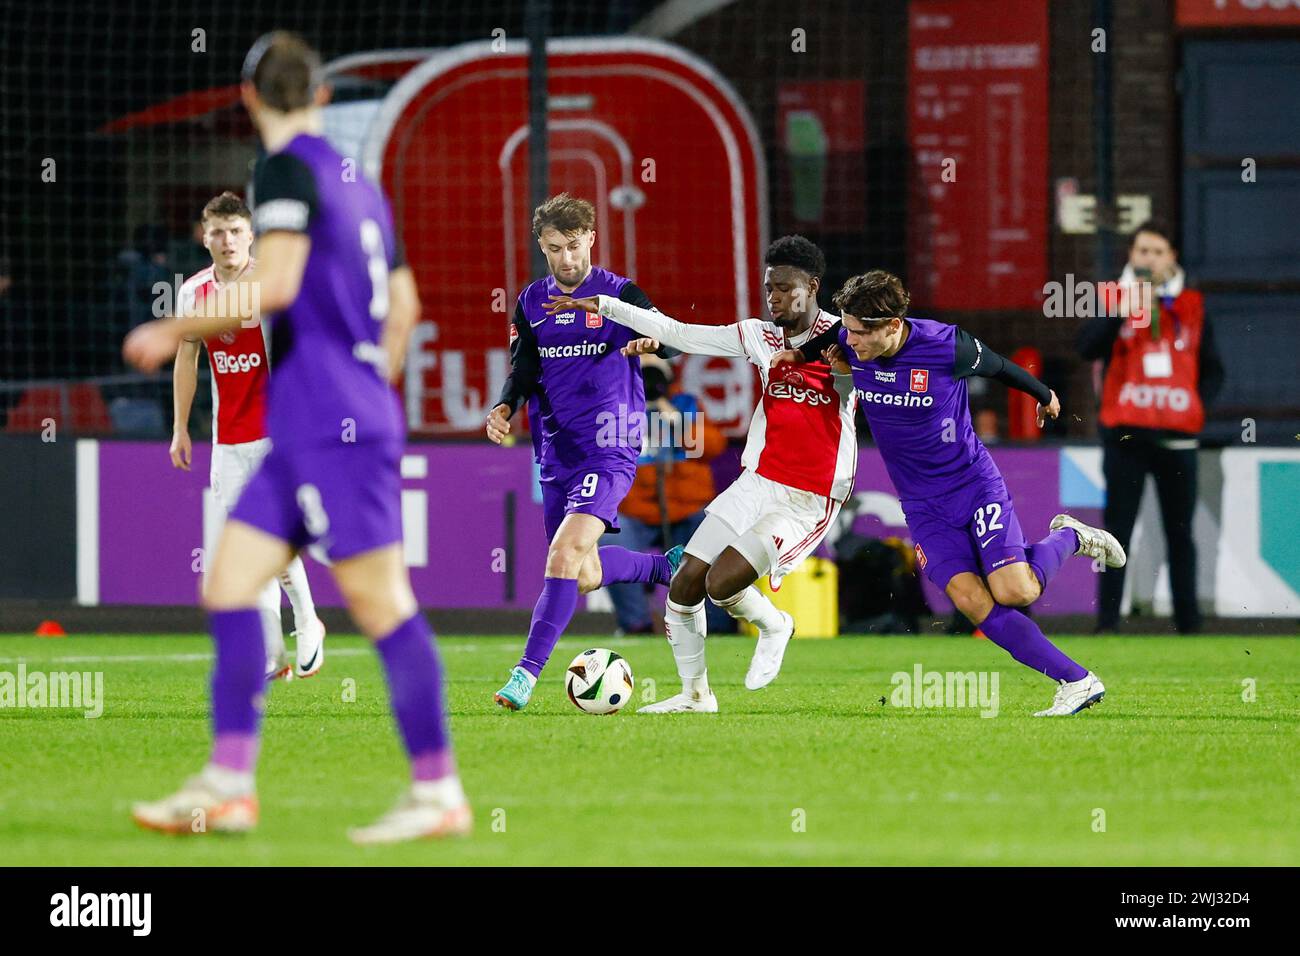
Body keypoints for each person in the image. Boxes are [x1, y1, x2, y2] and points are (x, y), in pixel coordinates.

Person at [123, 31, 469, 843]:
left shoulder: (282, 170)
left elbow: (272, 283)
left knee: (381, 603)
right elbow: (408, 310)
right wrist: (366, 384)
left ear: (248, 102)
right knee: (231, 581)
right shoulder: (367, 186)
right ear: (317, 96)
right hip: (327, 416)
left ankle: (440, 791)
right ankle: (229, 784)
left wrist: (169, 328)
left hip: (324, 420)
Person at [779, 270, 1125, 716]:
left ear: (893, 324)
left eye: (862, 331)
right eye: (846, 327)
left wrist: (1043, 394)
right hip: (922, 506)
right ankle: (1076, 681)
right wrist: (791, 357)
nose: (850, 338)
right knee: (969, 600)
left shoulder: (946, 344)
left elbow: (999, 365)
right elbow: (806, 352)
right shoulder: (847, 342)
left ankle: (1072, 537)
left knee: (1016, 592)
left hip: (973, 485)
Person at [547, 235, 857, 712]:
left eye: (785, 288)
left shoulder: (848, 339)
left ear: (812, 286)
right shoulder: (759, 335)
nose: (773, 297)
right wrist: (608, 306)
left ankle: (775, 624)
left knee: (721, 584)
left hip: (809, 495)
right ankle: (696, 695)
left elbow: (890, 361)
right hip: (759, 479)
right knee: (686, 580)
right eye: (768, 287)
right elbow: (682, 331)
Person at [484, 193, 683, 711]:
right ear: (542, 247)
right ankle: (664, 568)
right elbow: (525, 369)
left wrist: (654, 345)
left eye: (574, 246)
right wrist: (506, 407)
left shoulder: (618, 295)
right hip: (555, 450)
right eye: (554, 249)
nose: (567, 259)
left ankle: (525, 675)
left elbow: (676, 340)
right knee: (585, 571)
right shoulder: (530, 302)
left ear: (591, 239)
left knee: (562, 553)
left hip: (610, 444)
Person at [172, 190, 325, 681]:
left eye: (236, 231)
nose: (227, 240)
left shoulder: (268, 285)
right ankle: (271, 653)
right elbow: (185, 358)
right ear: (204, 237)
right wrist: (179, 427)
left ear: (250, 235)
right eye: (217, 231)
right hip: (227, 439)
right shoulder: (195, 291)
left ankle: (307, 621)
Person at [1077, 220, 1224, 634]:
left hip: (1178, 438)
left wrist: (1196, 407)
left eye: (1157, 252)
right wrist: (1120, 311)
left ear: (1171, 258)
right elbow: (1085, 347)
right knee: (1115, 534)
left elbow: (1214, 370)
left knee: (1181, 534)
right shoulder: (1113, 298)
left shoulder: (1193, 306)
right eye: (1142, 251)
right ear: (1131, 255)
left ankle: (1188, 627)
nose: (1149, 259)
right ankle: (1106, 625)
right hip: (1125, 436)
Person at [599, 355, 730, 636]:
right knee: (611, 537)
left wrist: (670, 414)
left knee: (718, 535)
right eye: (641, 373)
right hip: (636, 514)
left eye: (654, 374)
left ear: (669, 376)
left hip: (687, 510)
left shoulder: (687, 404)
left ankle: (718, 627)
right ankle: (636, 625)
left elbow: (713, 446)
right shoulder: (616, 408)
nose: (648, 381)